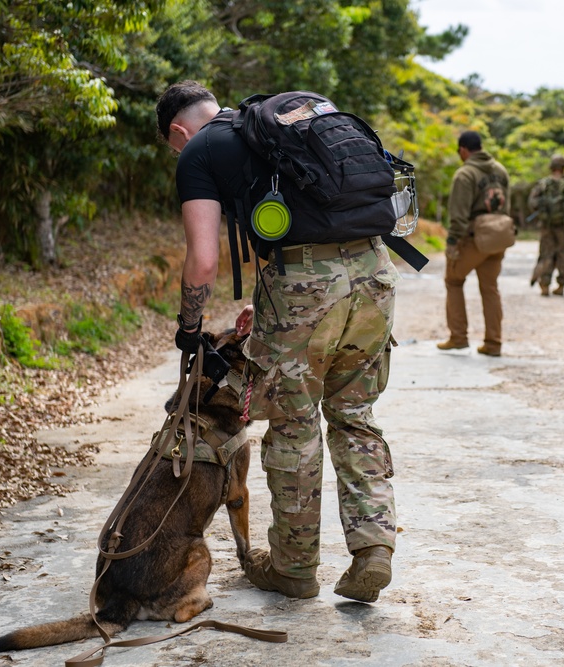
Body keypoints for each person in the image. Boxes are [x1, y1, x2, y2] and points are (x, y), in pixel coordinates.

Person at [156, 81, 399, 603]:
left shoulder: (199, 150)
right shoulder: (278, 124)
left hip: (303, 285)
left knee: (293, 422)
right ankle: (374, 547)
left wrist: (190, 326)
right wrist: (268, 300)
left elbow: (202, 260)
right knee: (355, 415)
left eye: (174, 146)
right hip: (376, 271)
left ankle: (293, 568)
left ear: (179, 131)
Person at [437, 131, 511, 357]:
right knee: (490, 288)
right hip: (498, 237)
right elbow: (507, 206)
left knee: (453, 280)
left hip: (473, 238)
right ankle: (493, 343)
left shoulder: (465, 174)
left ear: (463, 150)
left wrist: (452, 242)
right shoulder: (500, 170)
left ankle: (458, 337)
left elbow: (458, 215)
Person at [528, 155, 564, 296]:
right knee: (563, 254)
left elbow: (532, 202)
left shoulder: (543, 184)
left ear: (551, 167)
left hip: (547, 225)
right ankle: (561, 286)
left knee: (546, 254)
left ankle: (545, 285)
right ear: (563, 167)